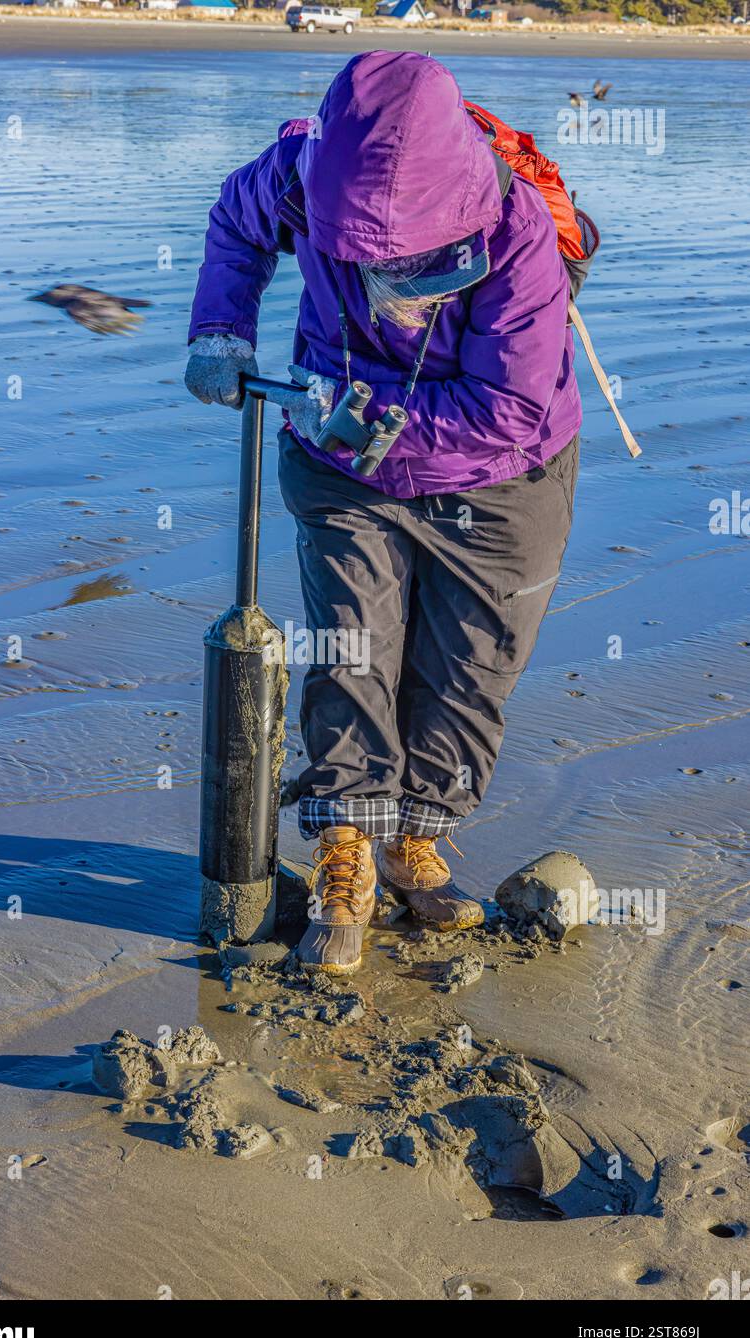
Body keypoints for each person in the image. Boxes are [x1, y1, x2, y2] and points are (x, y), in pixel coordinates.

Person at [186, 51, 581, 974]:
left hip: (503, 477)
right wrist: (219, 329)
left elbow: (508, 413)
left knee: (469, 668)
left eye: (408, 259)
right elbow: (237, 223)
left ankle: (416, 841)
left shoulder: (518, 232)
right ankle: (346, 852)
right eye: (362, 251)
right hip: (339, 472)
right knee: (350, 649)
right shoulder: (296, 170)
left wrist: (365, 420)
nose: (386, 274)